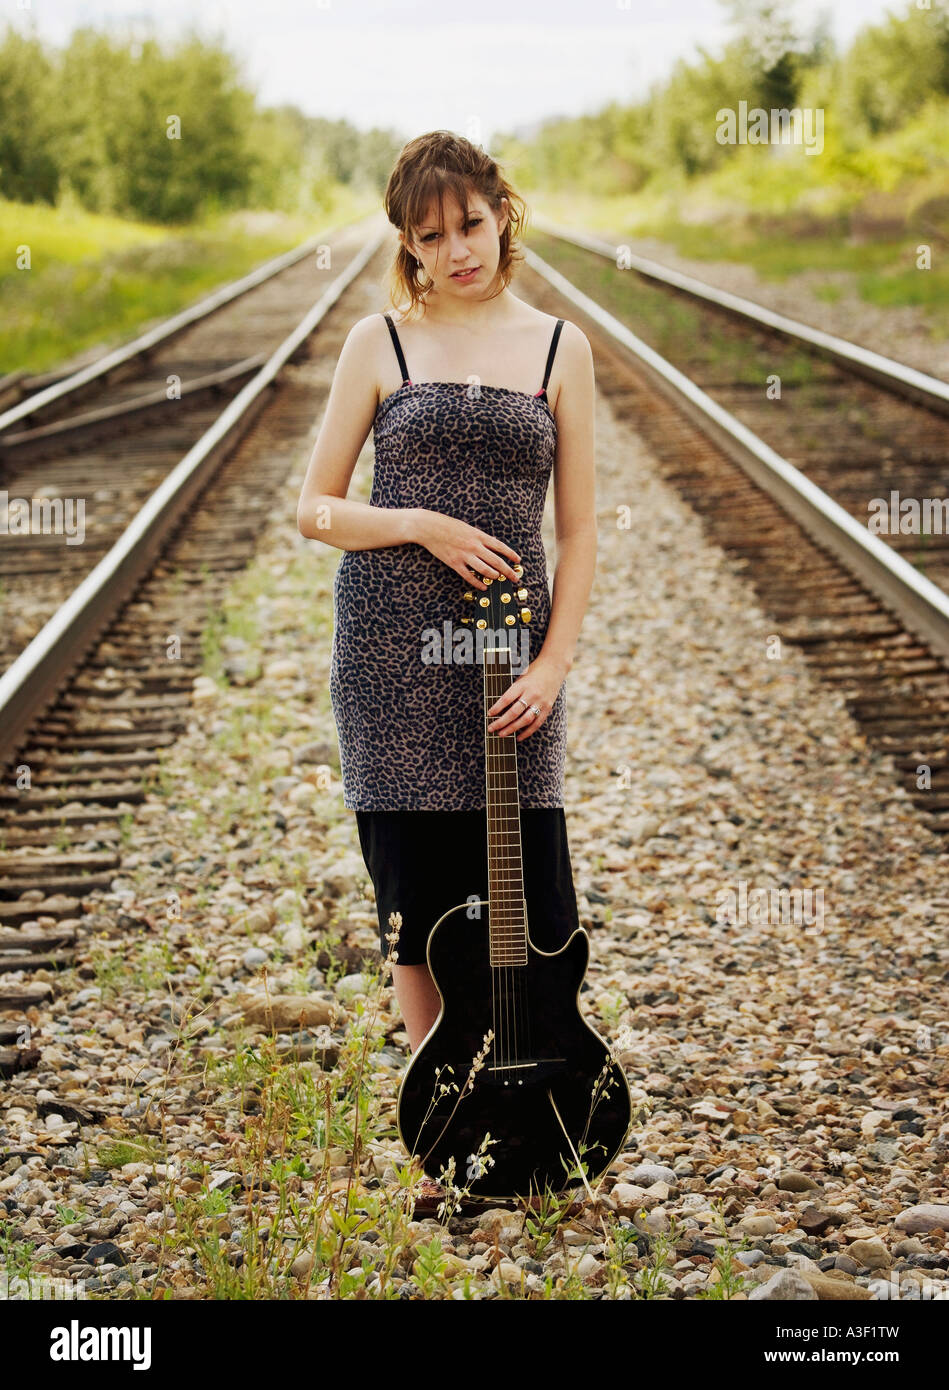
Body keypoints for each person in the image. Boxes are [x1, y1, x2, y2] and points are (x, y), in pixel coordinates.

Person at [296, 129, 596, 1079]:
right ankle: (439, 1132)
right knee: (417, 917)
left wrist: (552, 665)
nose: (459, 249)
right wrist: (421, 522)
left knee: (532, 901)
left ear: (501, 213)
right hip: (393, 662)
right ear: (408, 245)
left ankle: (539, 1110)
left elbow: (579, 531)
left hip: (512, 662)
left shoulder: (560, 345)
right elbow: (316, 508)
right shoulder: (377, 342)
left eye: (471, 223)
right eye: (432, 236)